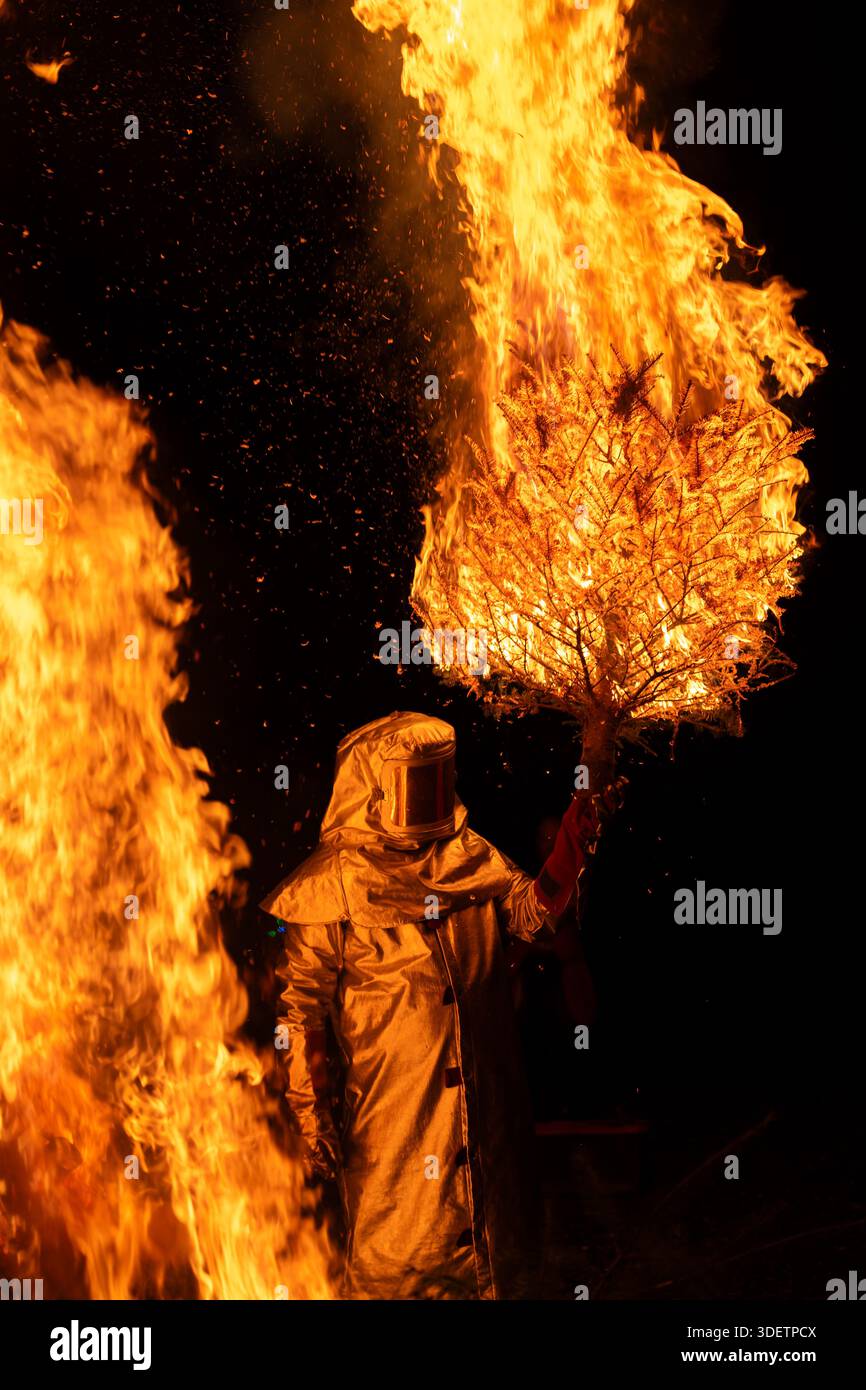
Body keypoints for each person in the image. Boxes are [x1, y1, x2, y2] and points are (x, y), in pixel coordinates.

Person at [260, 710, 602, 1299]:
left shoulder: (468, 857)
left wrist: (572, 844)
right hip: (396, 1136)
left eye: (440, 778)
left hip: (492, 1136)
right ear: (375, 788)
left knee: (502, 1275)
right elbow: (299, 1015)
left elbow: (531, 915)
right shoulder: (332, 888)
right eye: (419, 781)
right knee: (402, 1273)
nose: (432, 798)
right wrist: (312, 1128)